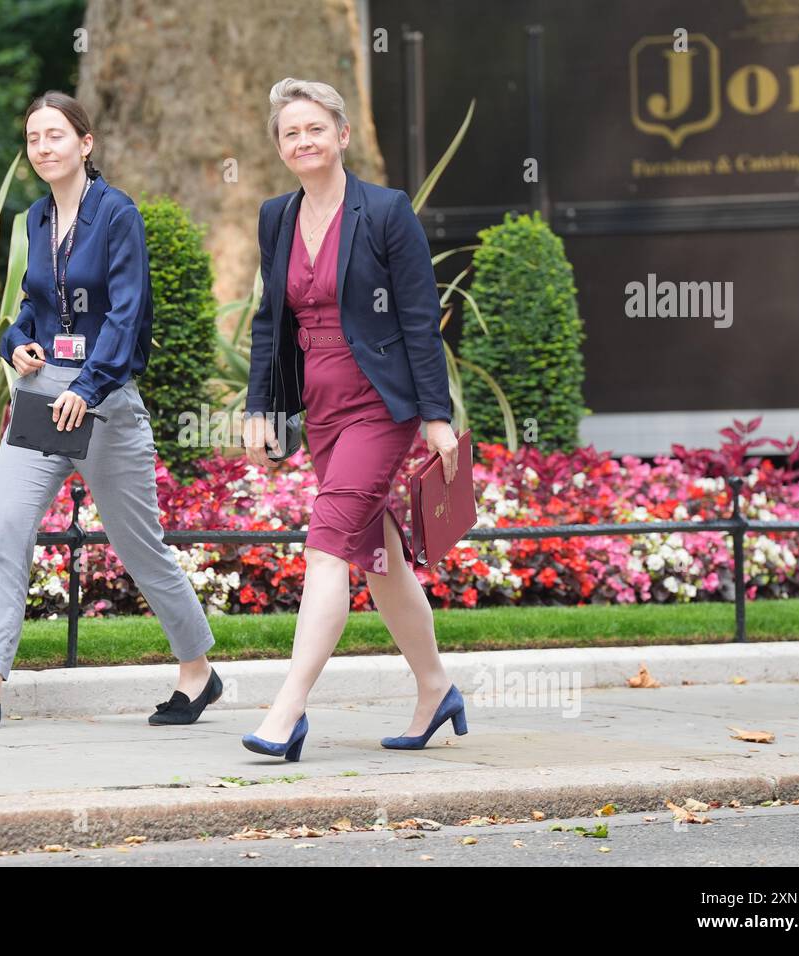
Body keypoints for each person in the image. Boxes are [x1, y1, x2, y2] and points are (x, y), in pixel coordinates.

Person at [0, 91, 221, 729]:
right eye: (33, 137)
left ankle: (198, 672)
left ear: (86, 144)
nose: (43, 147)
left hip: (100, 399)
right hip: (38, 394)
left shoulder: (118, 216)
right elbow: (35, 306)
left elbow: (127, 311)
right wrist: (15, 342)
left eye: (55, 135)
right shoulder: (34, 218)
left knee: (140, 549)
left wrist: (90, 384)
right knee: (7, 531)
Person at [240, 78, 468, 761]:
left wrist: (436, 416)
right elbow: (268, 322)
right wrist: (260, 406)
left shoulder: (386, 211)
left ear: (342, 135)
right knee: (378, 560)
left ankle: (287, 710)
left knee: (326, 544)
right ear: (280, 147)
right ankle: (436, 688)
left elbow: (420, 319)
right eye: (290, 133)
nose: (303, 141)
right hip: (322, 410)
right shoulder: (276, 217)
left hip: (380, 404)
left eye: (315, 128)